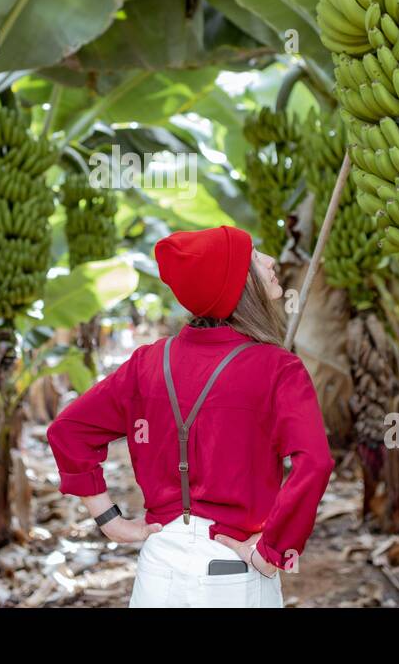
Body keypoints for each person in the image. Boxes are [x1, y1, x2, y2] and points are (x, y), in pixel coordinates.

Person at [47, 225, 335, 608]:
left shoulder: (147, 363)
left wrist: (110, 521)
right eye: (255, 255)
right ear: (236, 283)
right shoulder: (279, 368)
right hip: (234, 573)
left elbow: (68, 431)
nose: (269, 261)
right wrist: (274, 551)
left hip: (158, 568)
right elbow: (314, 462)